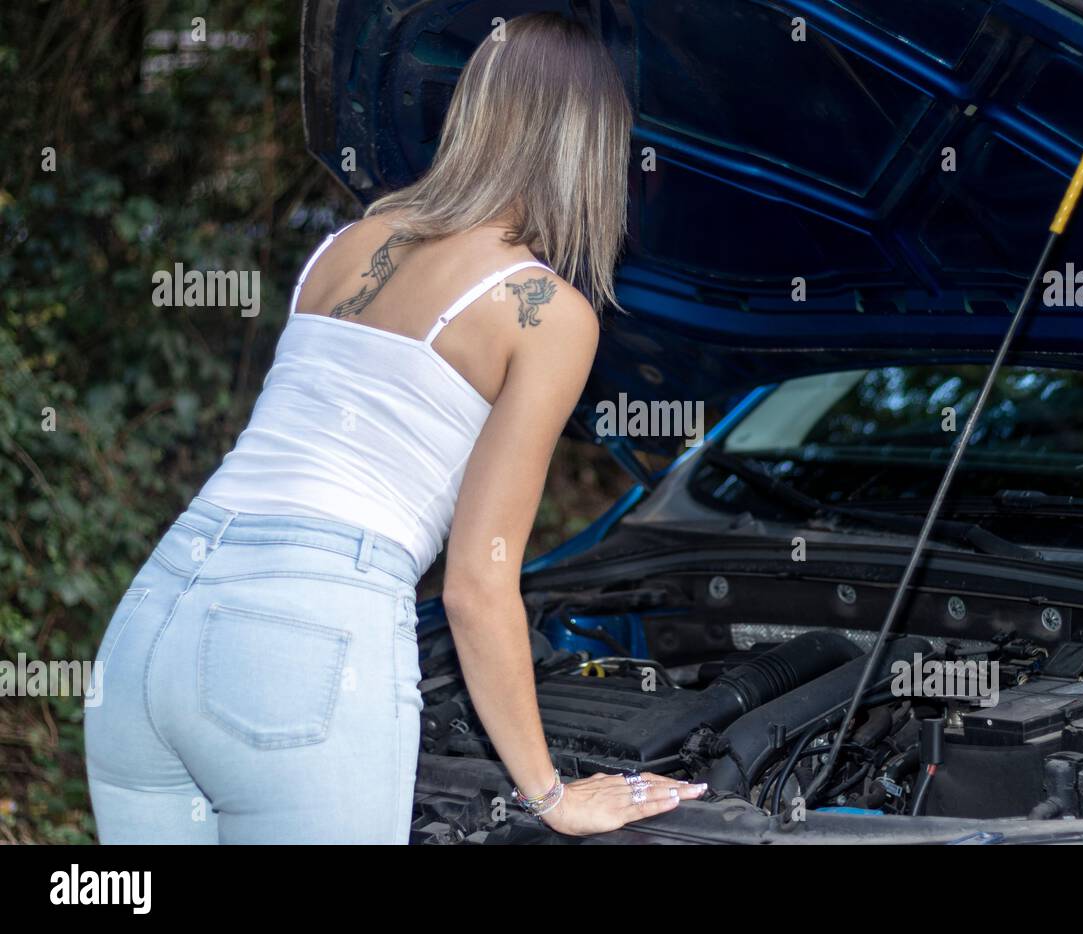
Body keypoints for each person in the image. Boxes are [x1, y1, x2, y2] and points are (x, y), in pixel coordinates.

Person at [85, 11, 706, 844]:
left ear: (474, 110)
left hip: (154, 616)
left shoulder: (348, 243)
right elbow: (477, 585)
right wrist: (551, 796)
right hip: (302, 636)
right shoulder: (544, 313)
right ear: (588, 148)